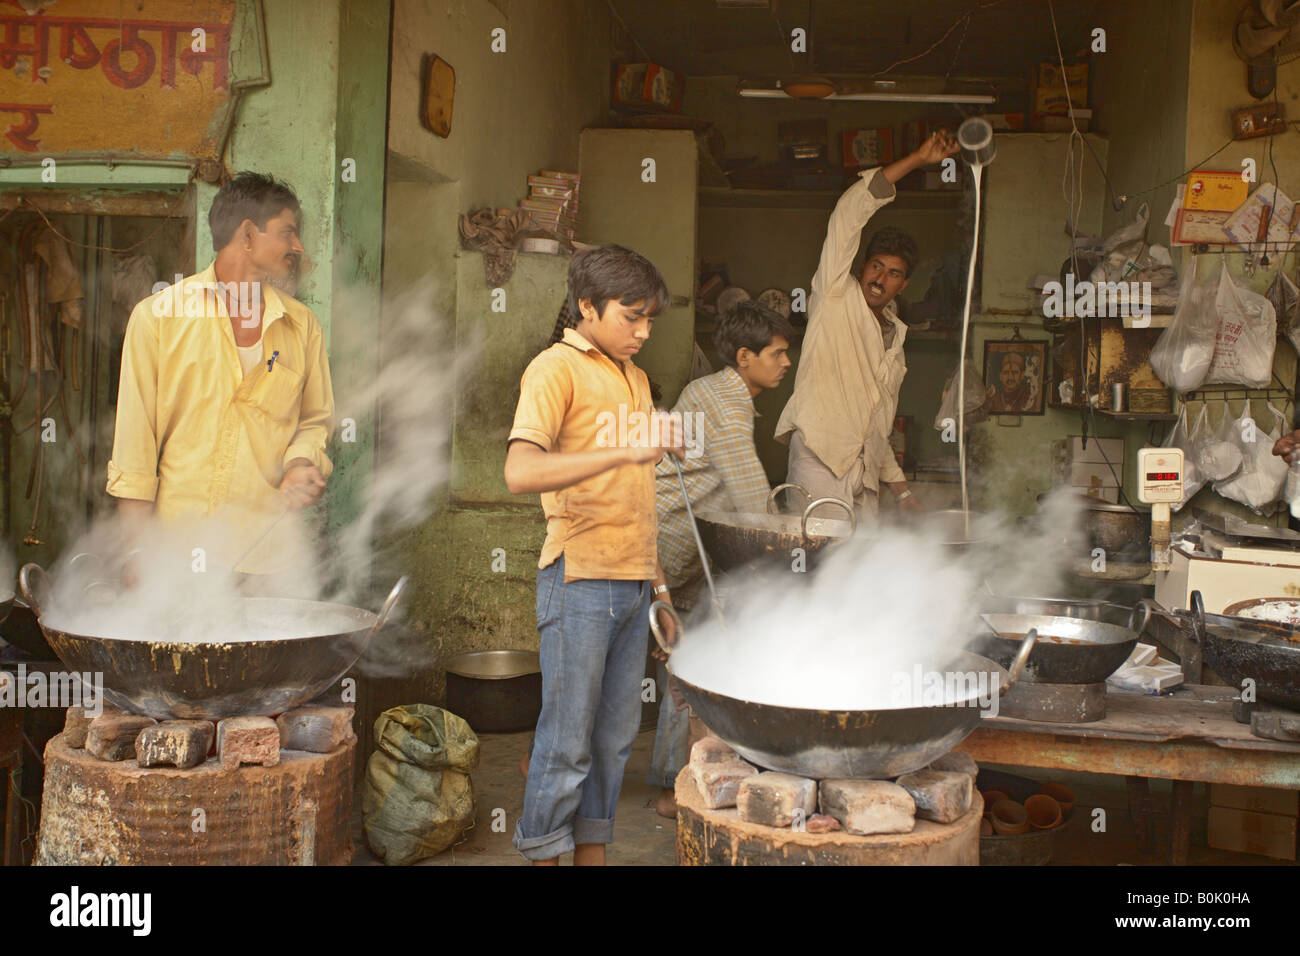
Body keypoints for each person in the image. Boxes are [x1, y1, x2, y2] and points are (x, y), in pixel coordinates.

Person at [504, 244, 683, 866]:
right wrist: (623, 453)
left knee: (613, 742)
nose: (643, 330)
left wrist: (660, 592)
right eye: (631, 316)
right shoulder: (555, 368)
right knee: (566, 742)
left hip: (633, 585)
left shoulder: (633, 379)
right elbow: (520, 471)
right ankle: (542, 857)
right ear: (587, 307)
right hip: (579, 581)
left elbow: (639, 498)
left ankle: (592, 859)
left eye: (649, 319)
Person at [107, 172, 334, 583]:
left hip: (270, 563)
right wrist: (136, 557)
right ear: (247, 235)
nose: (297, 246)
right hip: (178, 558)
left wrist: (301, 462)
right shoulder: (159, 317)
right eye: (287, 233)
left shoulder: (303, 327)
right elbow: (134, 450)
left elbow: (314, 421)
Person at [647, 299, 793, 817]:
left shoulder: (715, 391)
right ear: (744, 355)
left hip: (683, 551)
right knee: (629, 667)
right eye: (777, 353)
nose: (786, 362)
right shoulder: (725, 402)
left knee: (683, 662)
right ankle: (549, 759)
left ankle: (672, 781)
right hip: (657, 548)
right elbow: (751, 497)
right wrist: (793, 561)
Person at [774, 131, 959, 519]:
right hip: (820, 461)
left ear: (903, 285)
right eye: (876, 266)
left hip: (866, 472)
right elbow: (847, 212)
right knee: (819, 567)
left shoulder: (895, 335)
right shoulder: (835, 296)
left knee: (862, 572)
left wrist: (904, 492)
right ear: (862, 266)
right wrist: (917, 160)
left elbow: (876, 425)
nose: (881, 278)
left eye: (893, 273)